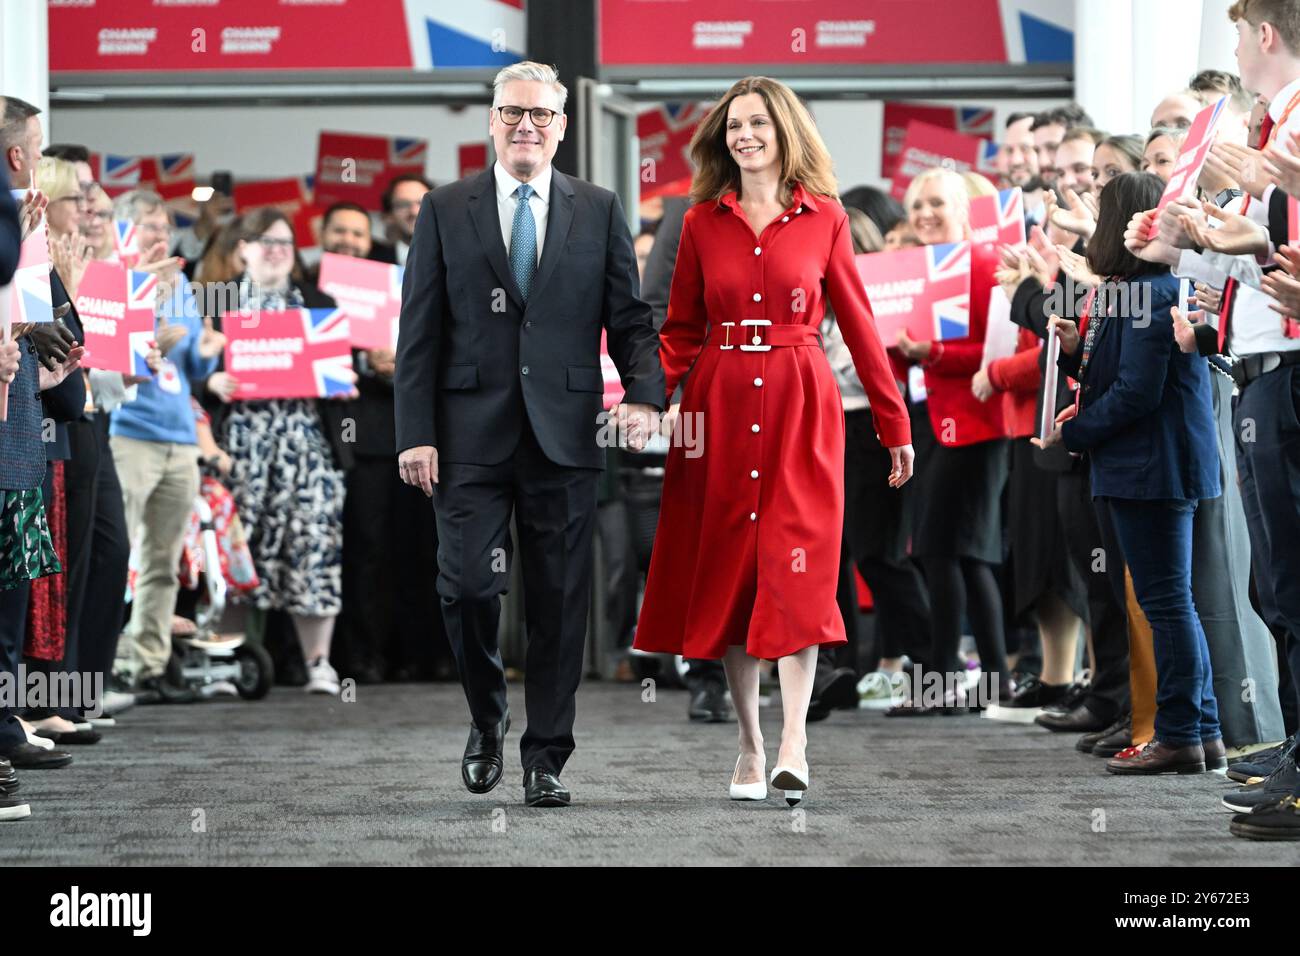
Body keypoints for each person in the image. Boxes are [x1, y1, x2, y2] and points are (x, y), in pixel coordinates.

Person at [632, 75, 913, 806]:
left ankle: (795, 741)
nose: (744, 135)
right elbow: (682, 331)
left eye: (758, 122)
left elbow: (857, 324)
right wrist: (644, 399)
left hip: (801, 397)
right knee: (729, 569)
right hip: (717, 404)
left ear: (786, 131)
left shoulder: (826, 217)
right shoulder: (699, 222)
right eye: (733, 126)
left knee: (800, 564)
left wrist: (893, 423)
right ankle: (750, 747)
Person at [395, 61, 664, 809]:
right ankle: (487, 716)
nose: (526, 126)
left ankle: (546, 756)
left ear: (562, 128)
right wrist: (414, 432)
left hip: (565, 440)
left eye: (541, 115)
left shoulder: (601, 207)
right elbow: (418, 330)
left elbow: (630, 320)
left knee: (558, 602)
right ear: (491, 121)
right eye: (512, 112)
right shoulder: (446, 208)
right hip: (466, 438)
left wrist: (645, 393)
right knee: (470, 589)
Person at [1038, 171, 1223, 775]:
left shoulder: (1153, 289)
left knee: (1166, 602)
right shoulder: (1133, 286)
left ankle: (1178, 735)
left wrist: (1077, 430)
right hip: (1145, 464)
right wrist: (1072, 350)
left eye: (1109, 212)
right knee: (1170, 601)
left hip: (1153, 467)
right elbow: (1119, 374)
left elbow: (1137, 393)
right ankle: (1201, 729)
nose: (1103, 225)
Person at [198, 207, 354, 696]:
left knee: (314, 547)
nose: (276, 250)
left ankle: (319, 665)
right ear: (241, 247)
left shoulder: (317, 301)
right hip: (238, 447)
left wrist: (341, 381)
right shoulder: (213, 303)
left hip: (307, 449)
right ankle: (227, 662)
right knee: (236, 550)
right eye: (265, 240)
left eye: (285, 242)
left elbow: (340, 377)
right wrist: (210, 380)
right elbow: (178, 374)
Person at [891, 168, 1013, 714]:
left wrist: (929, 354)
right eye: (917, 205)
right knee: (955, 553)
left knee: (951, 551)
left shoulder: (986, 265)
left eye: (937, 203)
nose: (924, 215)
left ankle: (951, 683)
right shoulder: (916, 270)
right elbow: (908, 349)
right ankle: (989, 681)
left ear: (965, 209)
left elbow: (997, 351)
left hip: (975, 423)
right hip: (929, 420)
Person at [108, 189, 224, 702]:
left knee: (163, 557)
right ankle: (102, 659)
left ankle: (147, 662)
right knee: (114, 554)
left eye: (163, 227)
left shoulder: (181, 286)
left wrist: (207, 351)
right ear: (122, 233)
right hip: (129, 429)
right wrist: (153, 332)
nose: (160, 237)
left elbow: (192, 370)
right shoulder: (112, 281)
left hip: (179, 435)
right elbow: (110, 355)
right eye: (147, 227)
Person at [372, 173, 433, 266]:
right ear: (388, 215)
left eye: (422, 203)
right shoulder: (373, 260)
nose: (414, 212)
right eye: (403, 204)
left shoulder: (453, 258)